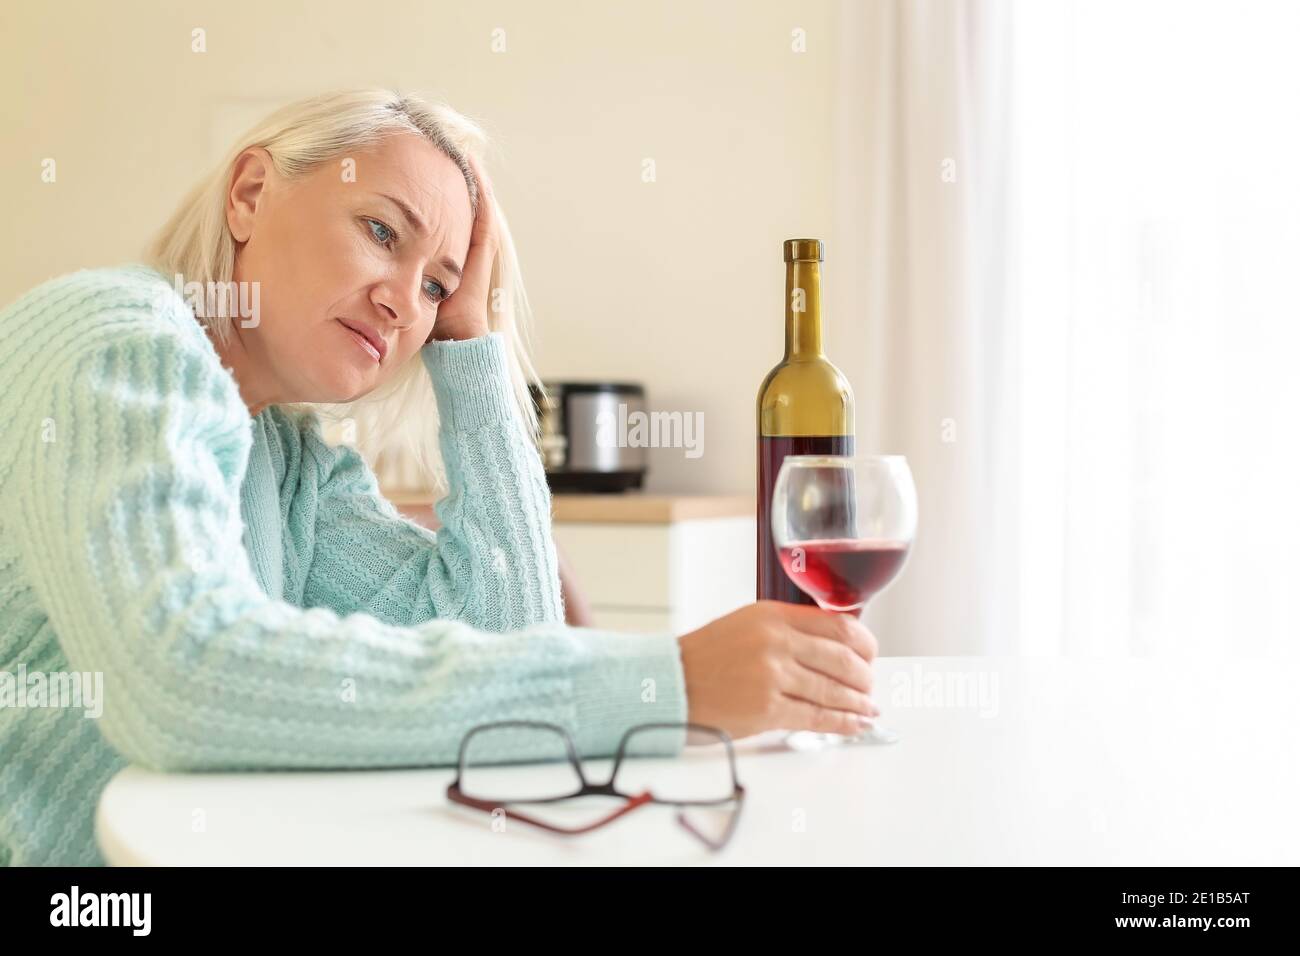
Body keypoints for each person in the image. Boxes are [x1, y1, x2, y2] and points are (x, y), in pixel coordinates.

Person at [0, 89, 878, 866]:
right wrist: (667, 684)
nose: (403, 301)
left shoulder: (294, 458)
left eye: (436, 286)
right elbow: (180, 680)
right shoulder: (120, 338)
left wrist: (472, 349)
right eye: (381, 232)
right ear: (251, 194)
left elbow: (508, 632)